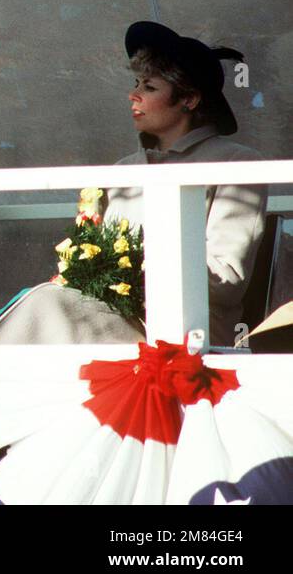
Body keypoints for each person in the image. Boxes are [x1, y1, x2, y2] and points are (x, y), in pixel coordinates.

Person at [104, 21, 266, 346]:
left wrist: (129, 270)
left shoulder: (236, 162)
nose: (133, 95)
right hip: (112, 321)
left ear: (189, 99)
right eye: (136, 83)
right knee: (49, 301)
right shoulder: (123, 170)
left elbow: (226, 279)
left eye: (150, 87)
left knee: (51, 309)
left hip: (189, 333)